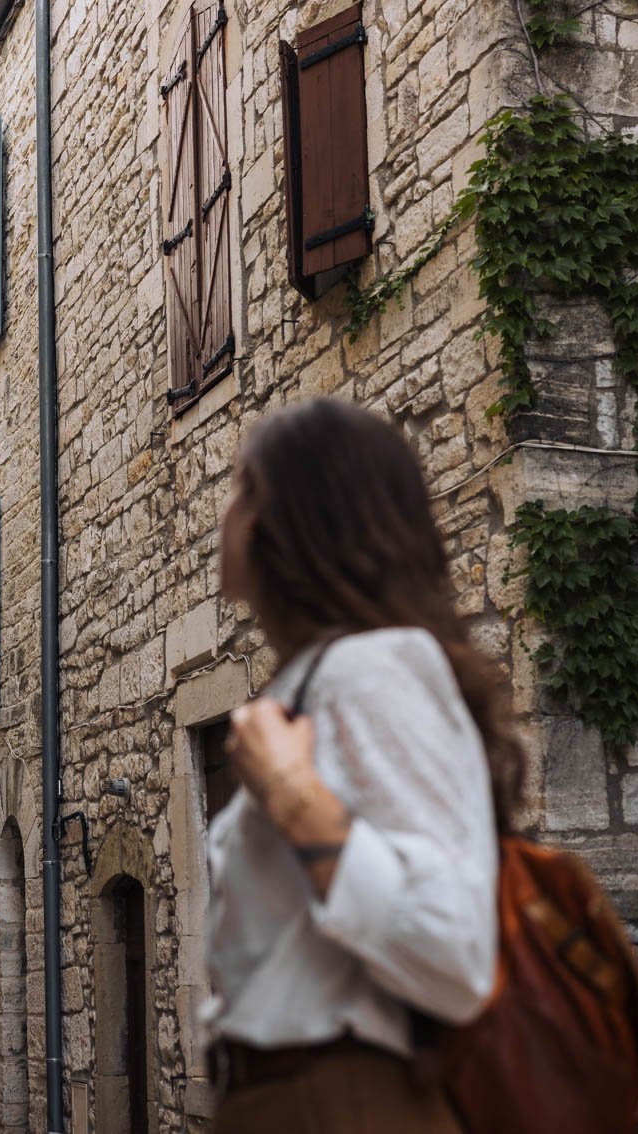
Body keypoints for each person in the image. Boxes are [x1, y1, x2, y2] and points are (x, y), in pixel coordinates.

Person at [205, 397, 525, 1133]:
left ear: (297, 520)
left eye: (243, 487)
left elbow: (454, 949)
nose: (227, 512)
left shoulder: (371, 669)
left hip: (343, 1102)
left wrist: (294, 796)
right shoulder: (322, 677)